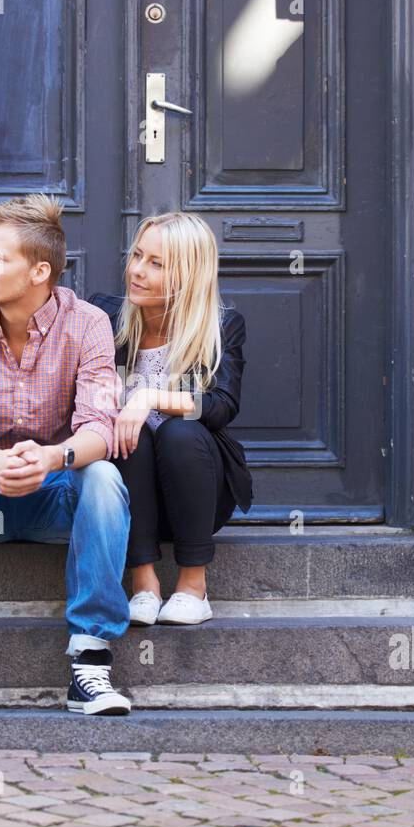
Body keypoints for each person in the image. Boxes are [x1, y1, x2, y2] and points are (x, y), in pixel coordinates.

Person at [0, 194, 133, 716]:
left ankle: (91, 661)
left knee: (103, 475)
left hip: (55, 496)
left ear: (39, 271)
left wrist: (53, 458)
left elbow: (101, 429)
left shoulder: (89, 324)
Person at [89, 212, 252, 626]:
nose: (137, 271)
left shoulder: (220, 326)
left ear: (188, 274)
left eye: (156, 264)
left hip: (196, 491)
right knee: (129, 431)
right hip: (128, 491)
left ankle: (193, 587)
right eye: (137, 255)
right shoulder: (103, 316)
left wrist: (149, 396)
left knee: (180, 432)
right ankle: (144, 584)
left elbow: (220, 405)